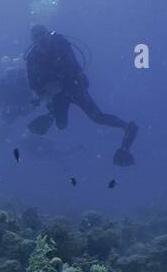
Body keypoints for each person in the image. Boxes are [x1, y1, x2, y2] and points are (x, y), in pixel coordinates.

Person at [25, 24, 138, 166]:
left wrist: (60, 83)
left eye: (42, 34)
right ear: (32, 40)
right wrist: (45, 91)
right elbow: (33, 83)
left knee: (97, 117)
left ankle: (128, 127)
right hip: (57, 94)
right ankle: (51, 114)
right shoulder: (32, 58)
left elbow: (72, 66)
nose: (40, 38)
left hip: (73, 87)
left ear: (48, 34)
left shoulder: (60, 44)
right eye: (36, 36)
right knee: (61, 125)